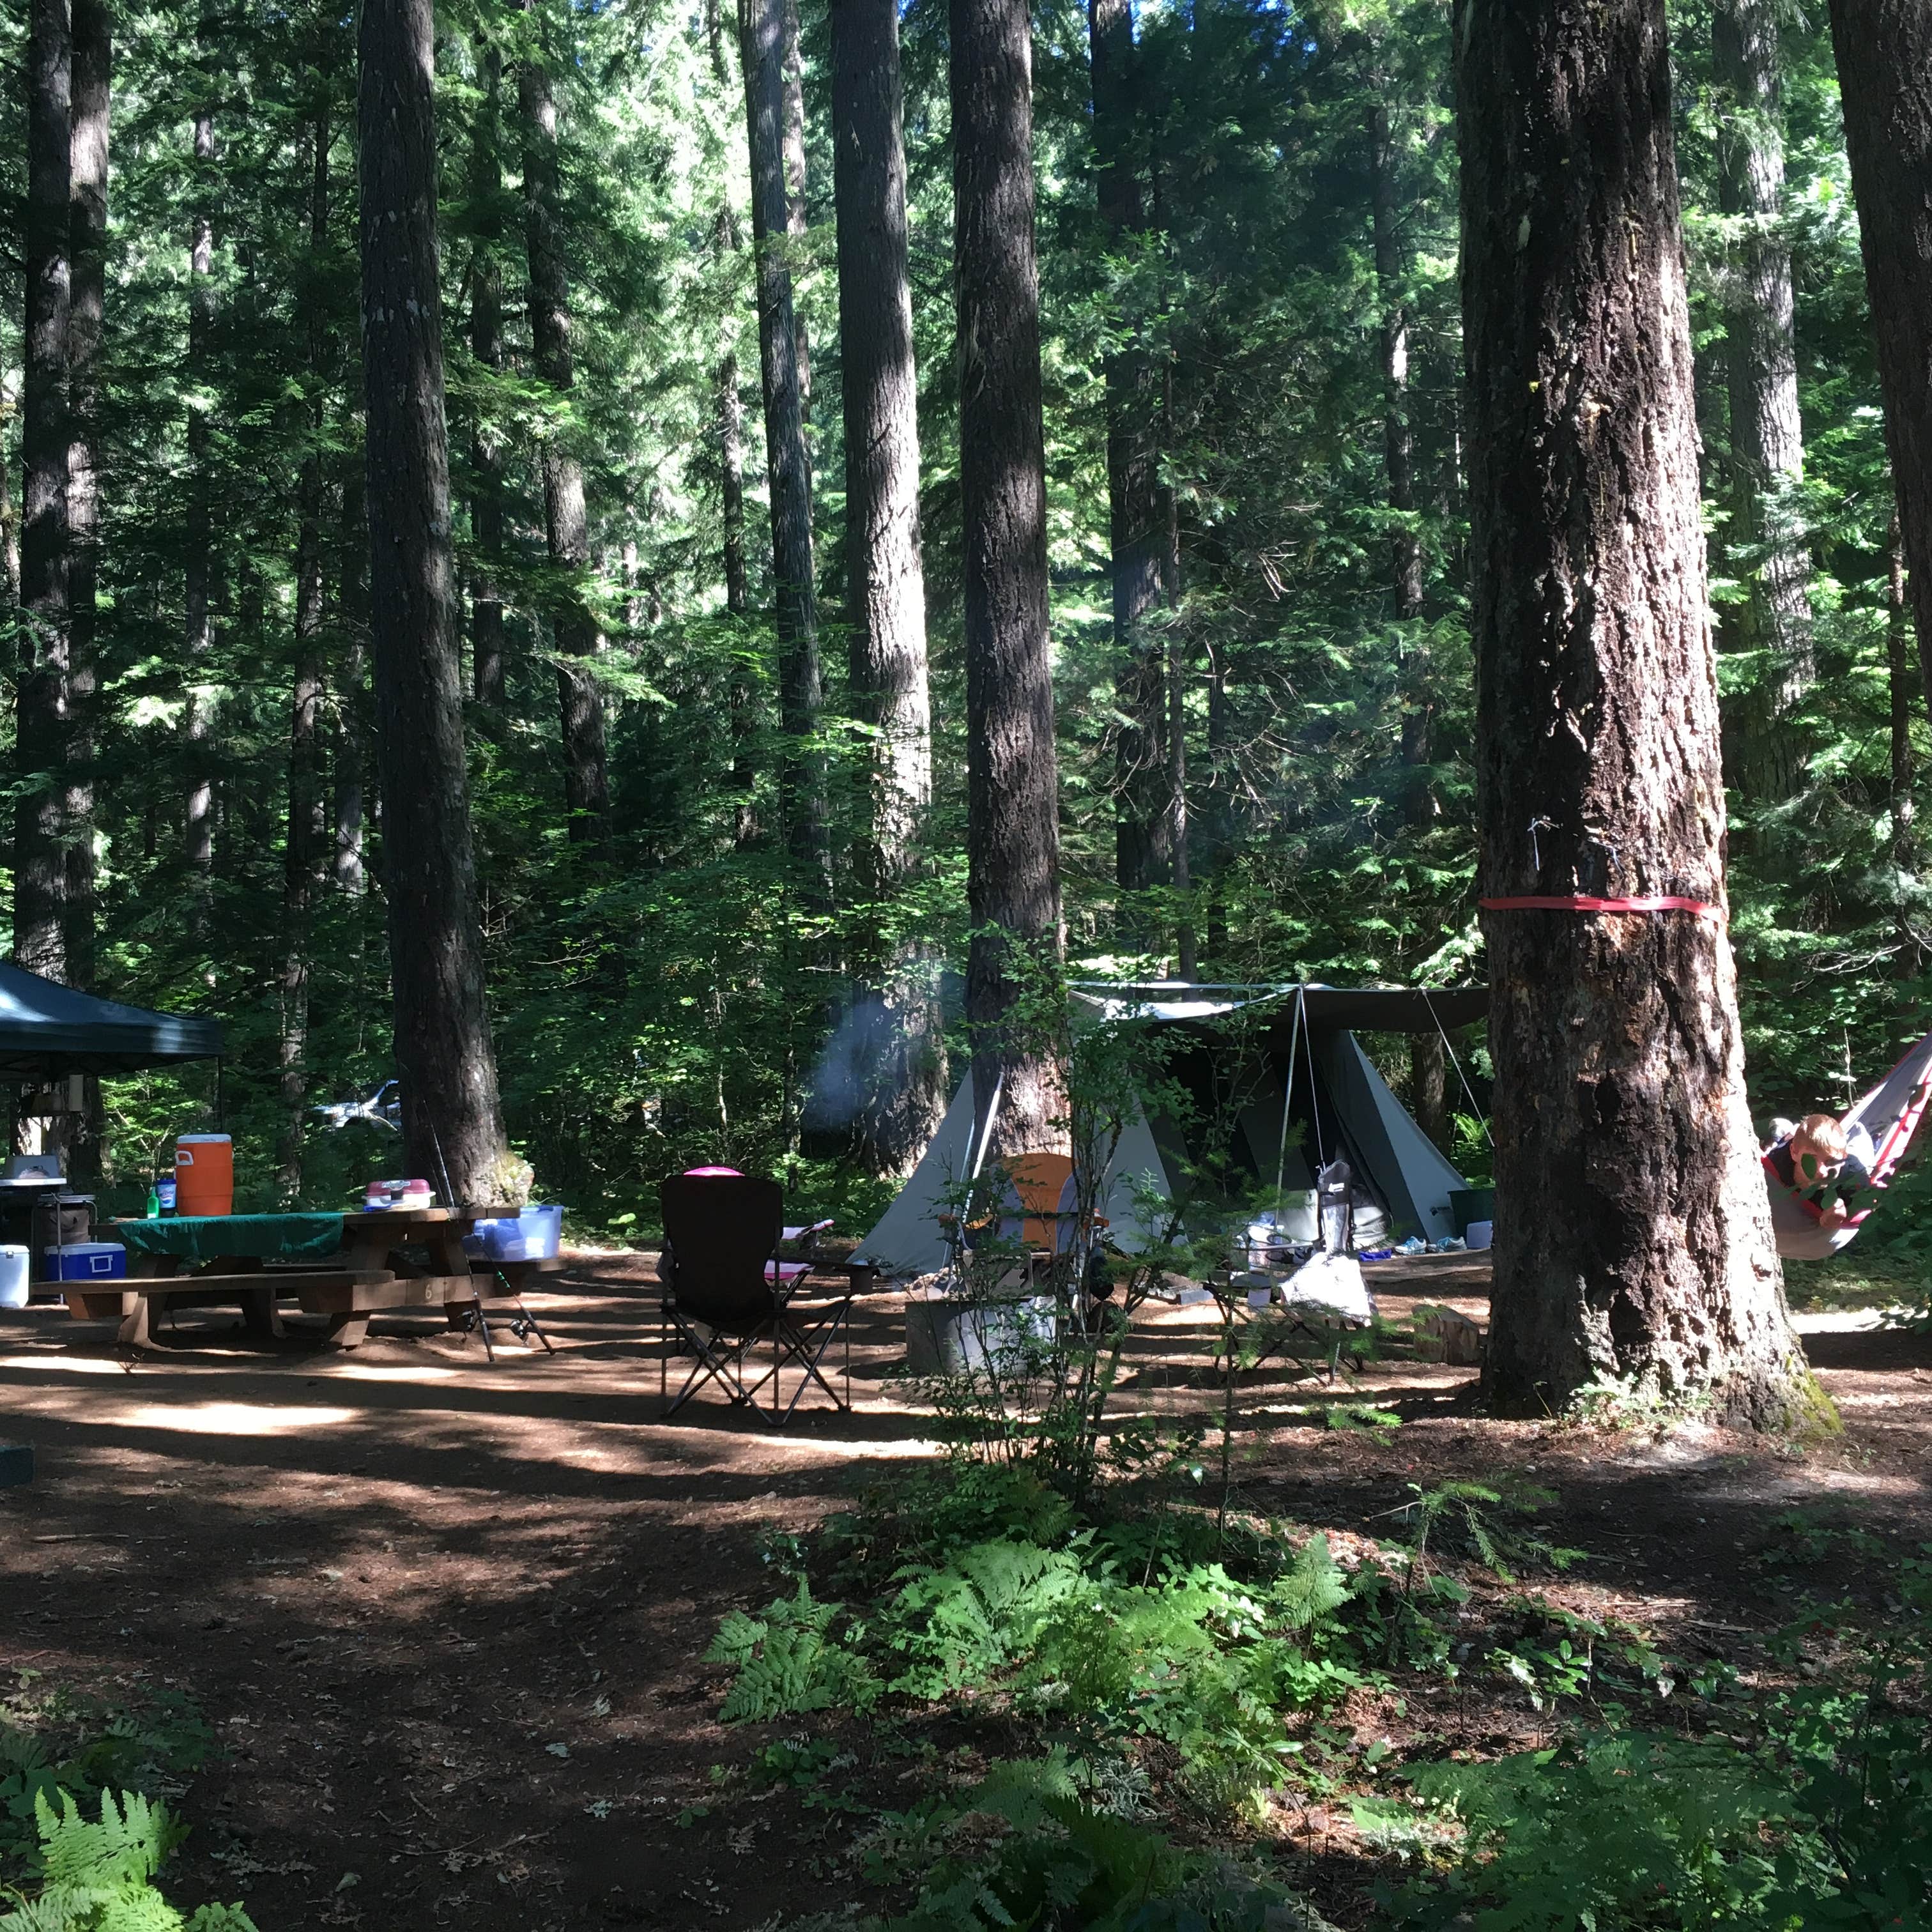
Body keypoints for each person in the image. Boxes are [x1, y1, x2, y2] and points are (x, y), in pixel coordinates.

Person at [1763, 1112, 1875, 1231]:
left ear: (1843, 1159)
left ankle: (1862, 1134)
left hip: (1852, 1160)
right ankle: (1786, 1133)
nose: (1821, 1171)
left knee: (1863, 1148)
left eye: (1830, 1161)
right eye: (1811, 1159)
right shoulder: (1778, 1160)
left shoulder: (1854, 1175)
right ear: (1794, 1153)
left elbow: (1871, 1204)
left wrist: (1845, 1212)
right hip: (1789, 1146)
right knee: (1782, 1143)